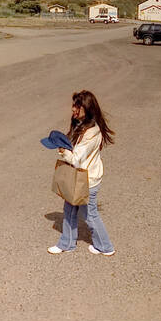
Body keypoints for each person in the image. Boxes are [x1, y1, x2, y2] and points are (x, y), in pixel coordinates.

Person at [51, 90, 115, 255]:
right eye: (73, 105)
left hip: (87, 180)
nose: (73, 109)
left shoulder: (91, 133)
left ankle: (106, 247)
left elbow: (76, 159)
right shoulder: (82, 126)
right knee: (70, 209)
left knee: (90, 215)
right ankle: (67, 243)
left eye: (78, 106)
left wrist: (63, 151)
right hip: (81, 177)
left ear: (88, 109)